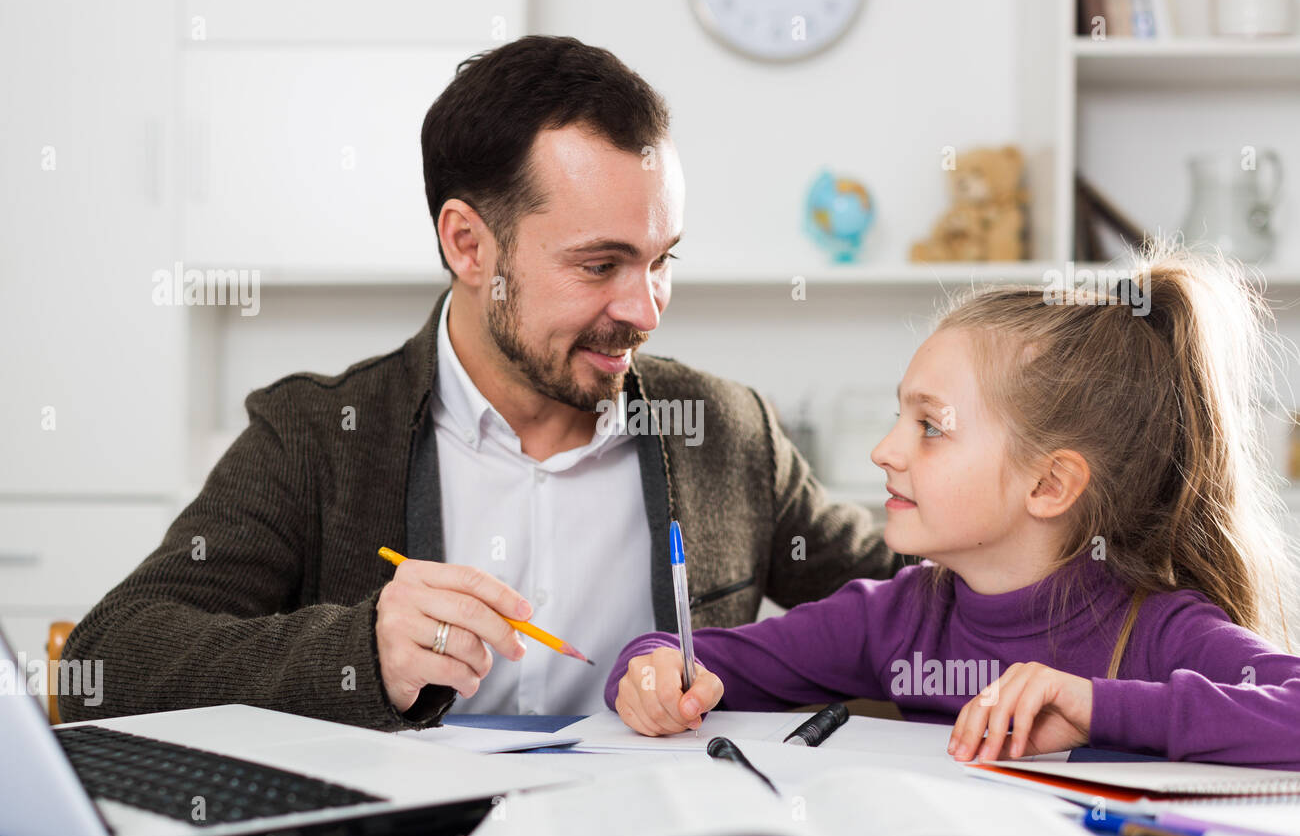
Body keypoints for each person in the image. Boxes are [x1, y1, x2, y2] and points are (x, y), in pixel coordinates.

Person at [60, 35, 906, 729]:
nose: (645, 310)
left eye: (661, 262)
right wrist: (360, 652)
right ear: (469, 246)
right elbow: (110, 658)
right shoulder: (317, 436)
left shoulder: (724, 431)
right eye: (600, 264)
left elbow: (918, 609)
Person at [607, 246, 1300, 768]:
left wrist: (1096, 708)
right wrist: (652, 671)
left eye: (930, 427)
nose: (884, 450)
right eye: (897, 417)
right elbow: (688, 659)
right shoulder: (895, 617)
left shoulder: (1157, 629)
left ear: (1050, 485)